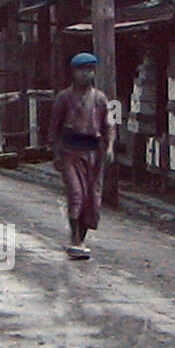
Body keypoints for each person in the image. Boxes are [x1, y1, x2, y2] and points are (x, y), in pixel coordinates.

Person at [48, 52, 115, 261]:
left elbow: (108, 126)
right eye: (81, 70)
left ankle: (82, 239)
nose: (85, 74)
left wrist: (109, 147)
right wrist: (56, 153)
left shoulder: (100, 98)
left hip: (94, 154)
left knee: (91, 199)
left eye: (89, 70)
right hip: (70, 151)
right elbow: (54, 128)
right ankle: (75, 238)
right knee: (76, 194)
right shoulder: (64, 98)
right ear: (73, 72)